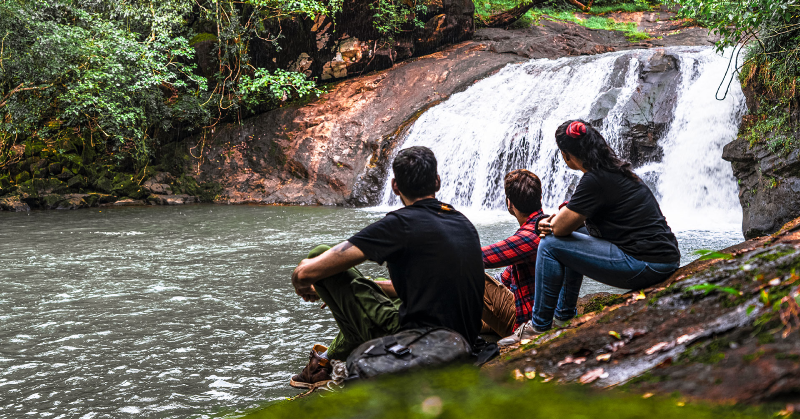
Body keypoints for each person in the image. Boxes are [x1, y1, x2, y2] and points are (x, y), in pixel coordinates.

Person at [289, 146, 484, 389]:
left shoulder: (399, 224)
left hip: (420, 343)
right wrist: (329, 292)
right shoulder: (462, 222)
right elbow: (421, 290)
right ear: (437, 181)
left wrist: (305, 278)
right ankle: (333, 357)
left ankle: (330, 360)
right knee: (370, 292)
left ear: (394, 186)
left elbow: (306, 273)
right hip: (462, 339)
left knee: (319, 253)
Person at [513, 120, 681, 340]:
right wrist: (553, 223)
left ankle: (539, 327)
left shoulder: (595, 179)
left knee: (550, 244)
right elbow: (572, 223)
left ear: (566, 156)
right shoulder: (612, 170)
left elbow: (561, 230)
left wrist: (549, 225)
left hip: (647, 264)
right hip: (661, 259)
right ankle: (563, 316)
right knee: (570, 236)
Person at [480, 169, 548, 347]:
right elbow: (503, 279)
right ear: (539, 198)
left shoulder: (530, 235)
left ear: (509, 203)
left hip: (526, 324)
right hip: (524, 312)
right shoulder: (541, 225)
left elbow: (477, 257)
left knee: (469, 274)